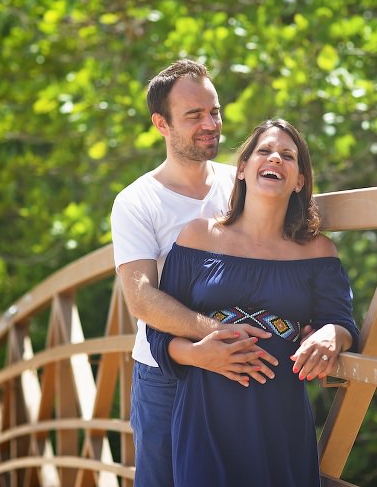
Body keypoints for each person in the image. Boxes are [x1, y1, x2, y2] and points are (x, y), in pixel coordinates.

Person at [148, 118, 361, 487]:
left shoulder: (318, 251)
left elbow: (341, 322)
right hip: (205, 412)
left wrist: (331, 334)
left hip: (280, 416)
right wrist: (199, 354)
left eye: (288, 156)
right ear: (242, 169)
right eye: (264, 151)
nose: (275, 158)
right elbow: (159, 332)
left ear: (299, 181)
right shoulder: (199, 237)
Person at [111, 59, 279, 487]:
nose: (211, 124)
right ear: (161, 124)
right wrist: (214, 335)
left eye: (214, 111)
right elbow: (141, 298)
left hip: (246, 366)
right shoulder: (136, 202)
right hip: (169, 376)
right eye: (194, 116)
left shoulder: (243, 183)